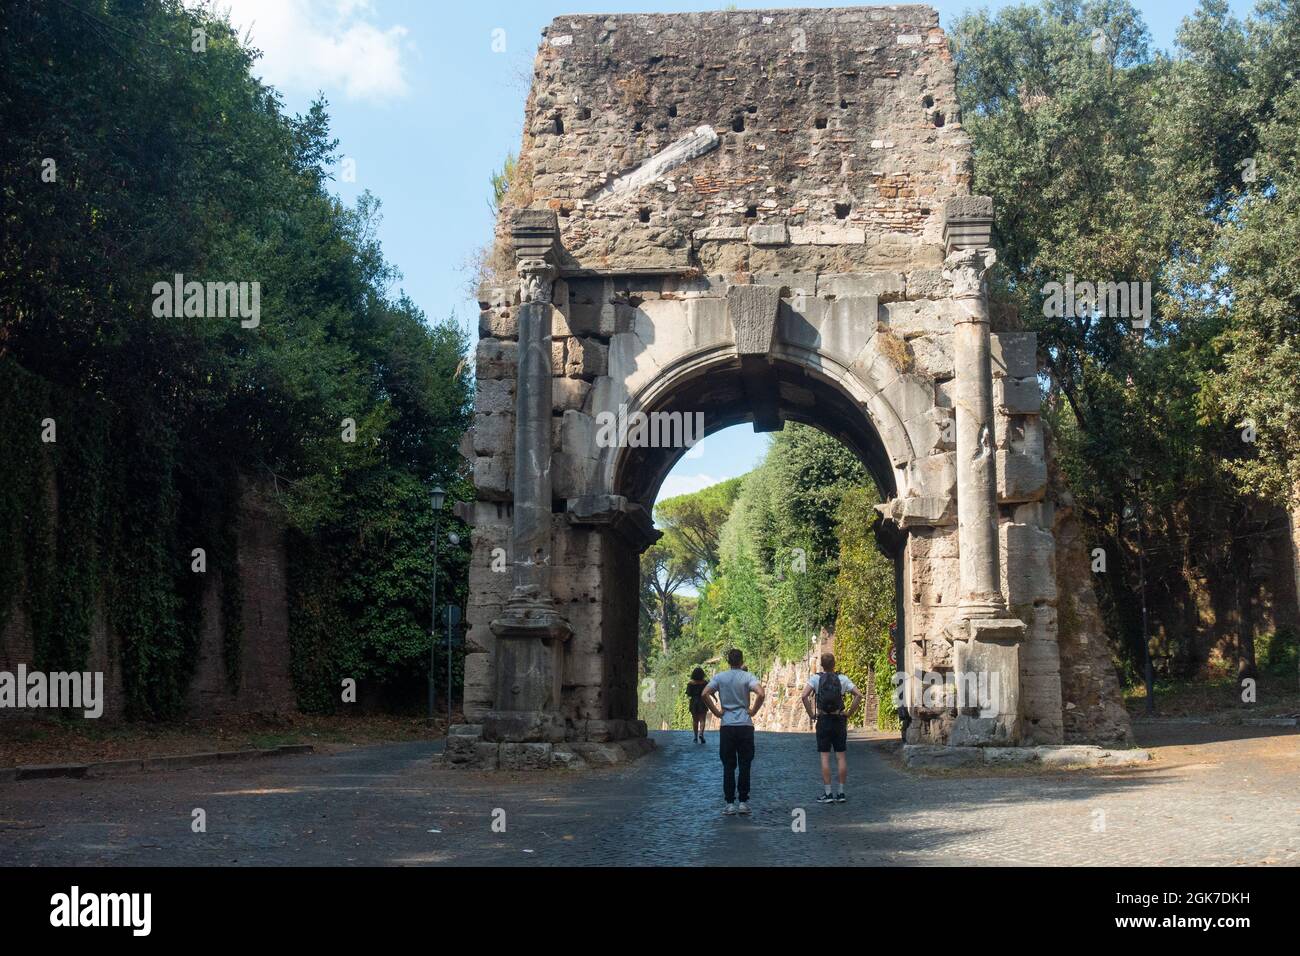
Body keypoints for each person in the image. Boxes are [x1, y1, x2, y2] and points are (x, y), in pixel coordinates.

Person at [701, 649, 766, 815]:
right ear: (741, 660)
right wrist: (753, 711)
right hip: (745, 724)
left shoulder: (720, 677)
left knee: (728, 765)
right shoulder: (748, 677)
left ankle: (730, 803)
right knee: (745, 764)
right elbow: (761, 693)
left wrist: (716, 712)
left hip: (727, 725)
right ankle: (743, 802)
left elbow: (705, 693)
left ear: (728, 661)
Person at [800, 652, 863, 804]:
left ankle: (828, 793)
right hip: (839, 719)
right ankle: (841, 792)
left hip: (823, 720)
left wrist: (811, 714)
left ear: (822, 665)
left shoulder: (816, 678)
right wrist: (849, 713)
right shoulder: (842, 679)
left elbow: (804, 696)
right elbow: (858, 695)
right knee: (841, 757)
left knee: (825, 757)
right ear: (835, 664)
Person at [685, 667, 710, 743]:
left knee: (695, 720)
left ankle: (695, 737)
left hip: (693, 702)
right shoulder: (705, 683)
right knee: (702, 720)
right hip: (702, 701)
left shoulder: (690, 683)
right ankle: (701, 734)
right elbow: (708, 691)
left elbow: (688, 694)